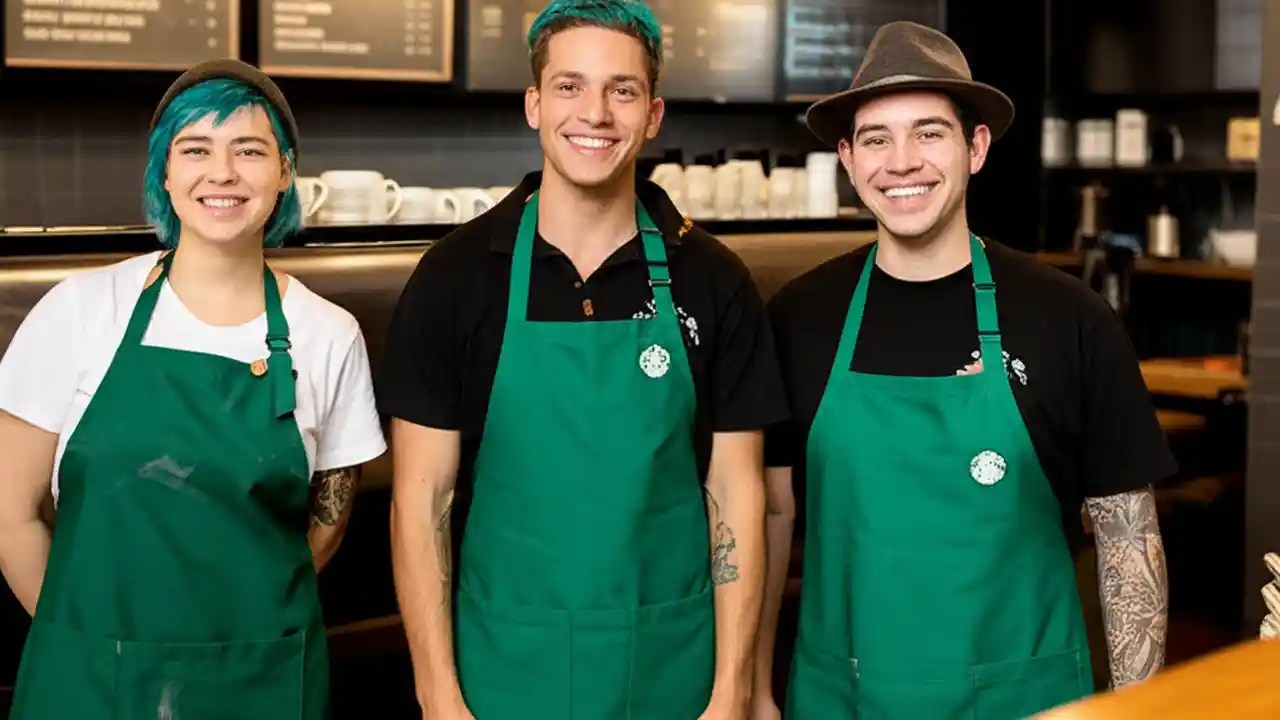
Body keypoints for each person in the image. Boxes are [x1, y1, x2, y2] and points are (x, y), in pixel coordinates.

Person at [375, 1, 789, 717]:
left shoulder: (713, 279)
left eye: (621, 90)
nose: (594, 113)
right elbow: (422, 501)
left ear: (653, 115)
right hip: (503, 672)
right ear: (534, 105)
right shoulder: (455, 276)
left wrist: (732, 693)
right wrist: (437, 694)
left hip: (672, 672)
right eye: (569, 86)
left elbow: (737, 493)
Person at [756, 22, 1176, 719]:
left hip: (1025, 699)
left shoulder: (1067, 318)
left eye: (929, 133)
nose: (902, 162)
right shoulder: (798, 317)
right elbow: (770, 512)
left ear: (975, 147)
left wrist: (1141, 710)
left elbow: (1127, 538)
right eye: (876, 139)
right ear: (848, 159)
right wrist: (752, 686)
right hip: (844, 698)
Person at [0, 59, 386, 718]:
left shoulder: (329, 335)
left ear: (285, 172)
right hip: (92, 686)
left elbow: (325, 529)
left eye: (250, 150)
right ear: (165, 171)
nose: (223, 172)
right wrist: (89, 642)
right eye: (196, 149)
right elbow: (11, 513)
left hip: (259, 685)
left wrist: (230, 641)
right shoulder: (79, 310)